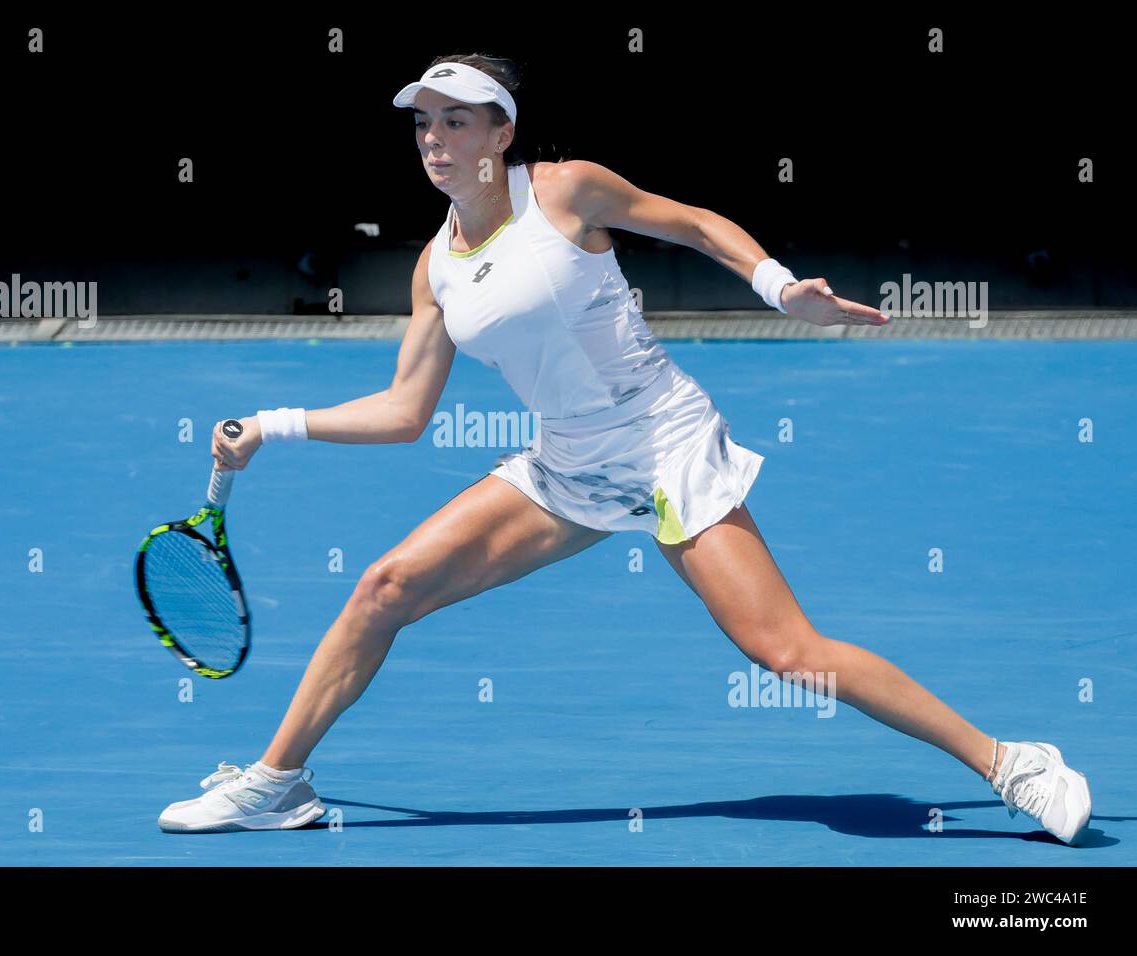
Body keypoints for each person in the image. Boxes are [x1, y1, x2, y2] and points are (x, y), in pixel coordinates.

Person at [158, 54, 1092, 845]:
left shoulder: (565, 191)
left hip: (665, 444)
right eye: (422, 126)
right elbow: (406, 410)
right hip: (565, 464)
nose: (434, 140)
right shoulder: (434, 265)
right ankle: (279, 784)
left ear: (501, 133)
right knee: (383, 589)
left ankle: (1011, 763)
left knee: (785, 651)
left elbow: (686, 222)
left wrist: (775, 288)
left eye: (455, 122)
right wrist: (273, 425)